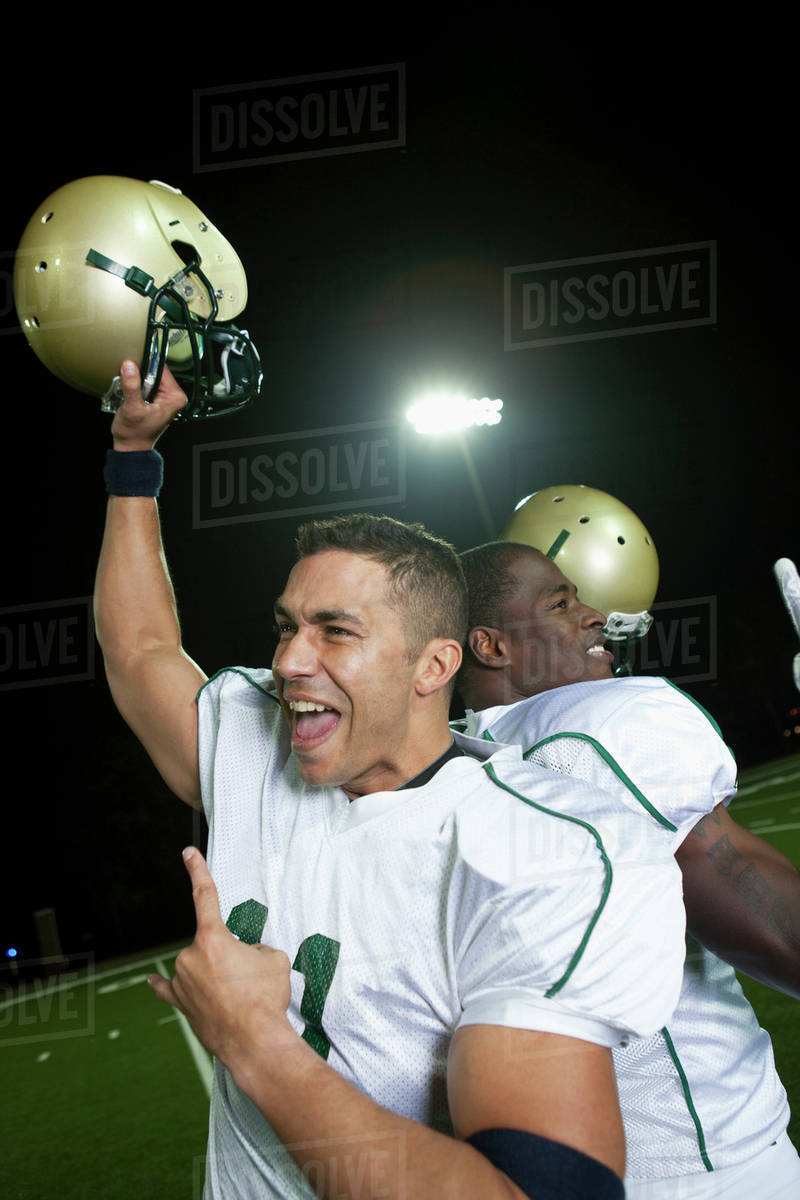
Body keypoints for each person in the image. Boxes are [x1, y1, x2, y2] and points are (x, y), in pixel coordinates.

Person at [93, 362, 686, 1200]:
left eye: (336, 632)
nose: (290, 660)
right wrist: (132, 456)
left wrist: (255, 1041)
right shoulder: (257, 743)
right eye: (287, 627)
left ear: (434, 664)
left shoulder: (546, 849)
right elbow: (140, 651)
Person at [456, 539, 800, 1200]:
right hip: (714, 1167)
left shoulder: (462, 764)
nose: (594, 615)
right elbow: (786, 935)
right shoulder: (602, 731)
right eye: (562, 603)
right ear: (491, 646)